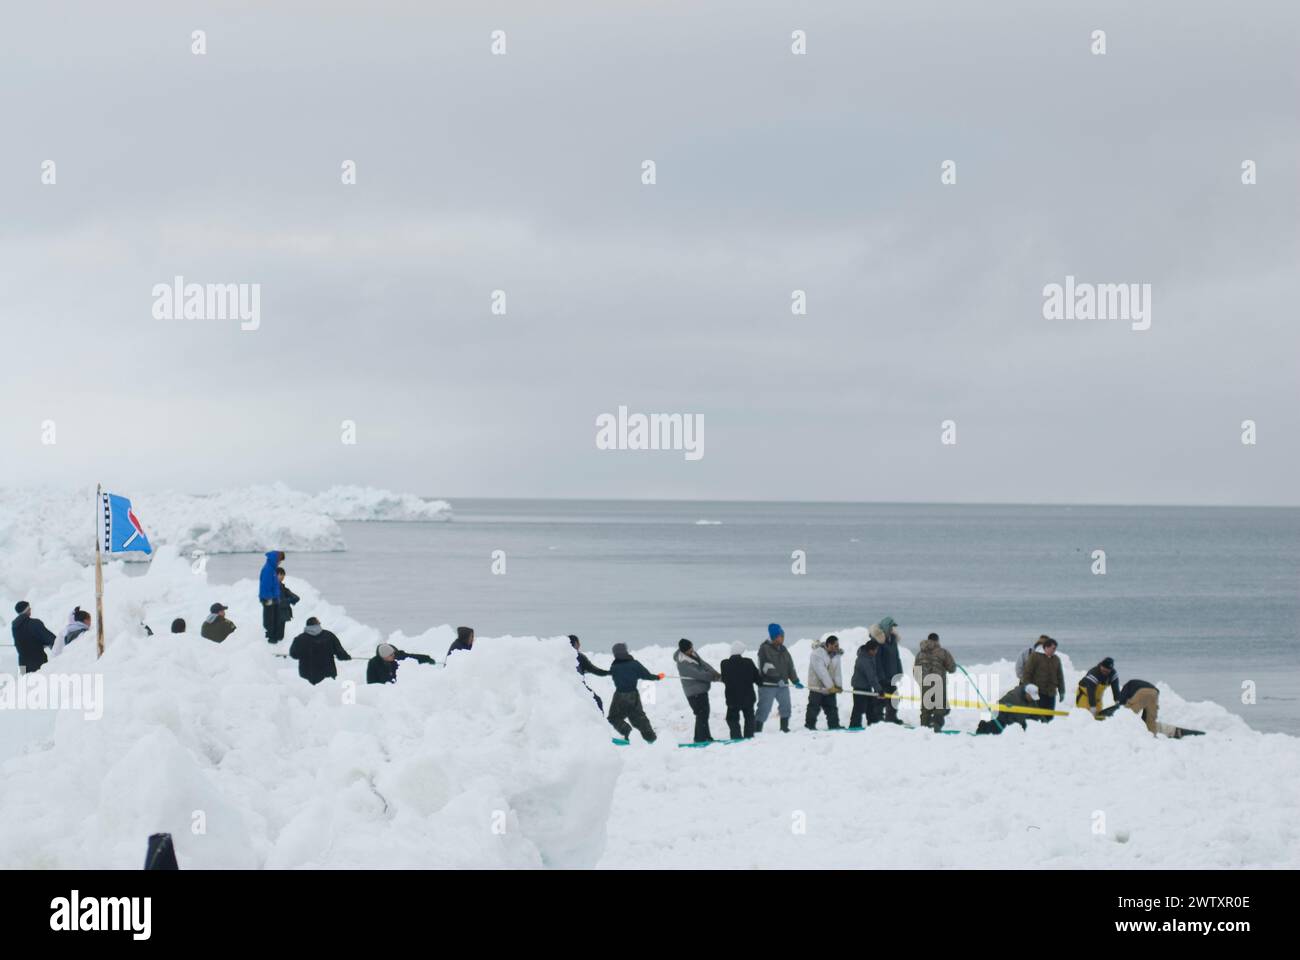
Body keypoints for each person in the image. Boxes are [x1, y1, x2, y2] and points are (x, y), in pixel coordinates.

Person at [1109, 678, 1204, 738]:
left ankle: (1126, 733)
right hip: (1154, 692)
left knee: (1126, 715)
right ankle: (1152, 738)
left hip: (1141, 692)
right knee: (1150, 721)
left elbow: (1121, 704)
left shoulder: (1127, 686)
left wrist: (1117, 710)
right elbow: (1146, 710)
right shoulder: (1135, 683)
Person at [607, 642, 663, 743]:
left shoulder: (614, 667)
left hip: (620, 695)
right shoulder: (634, 664)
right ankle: (650, 737)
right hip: (633, 695)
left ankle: (628, 732)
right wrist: (658, 677)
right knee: (639, 717)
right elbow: (647, 675)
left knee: (614, 717)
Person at [755, 623, 802, 733]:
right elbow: (766, 667)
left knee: (786, 707)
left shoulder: (784, 650)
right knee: (764, 709)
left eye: (783, 636)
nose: (782, 638)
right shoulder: (764, 649)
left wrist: (795, 680)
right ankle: (756, 729)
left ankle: (784, 728)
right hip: (768, 685)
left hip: (783, 685)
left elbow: (790, 665)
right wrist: (777, 679)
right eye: (780, 636)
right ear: (773, 636)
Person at [674, 638, 721, 743]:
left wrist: (716, 673)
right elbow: (700, 674)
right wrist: (714, 678)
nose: (692, 650)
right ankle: (700, 738)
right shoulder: (683, 663)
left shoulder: (692, 654)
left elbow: (704, 665)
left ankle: (705, 737)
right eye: (690, 649)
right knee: (701, 714)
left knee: (703, 714)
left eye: (692, 647)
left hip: (701, 690)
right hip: (693, 692)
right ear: (683, 650)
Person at [913, 632, 957, 731]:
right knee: (941, 707)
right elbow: (952, 668)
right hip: (938, 684)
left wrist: (922, 683)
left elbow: (916, 672)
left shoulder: (920, 654)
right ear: (937, 641)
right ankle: (935, 727)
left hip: (925, 684)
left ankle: (924, 730)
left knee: (926, 710)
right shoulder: (943, 652)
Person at [289, 617, 352, 684]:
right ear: (318, 624)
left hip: (307, 675)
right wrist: (347, 657)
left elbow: (293, 654)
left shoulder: (300, 639)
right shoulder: (329, 636)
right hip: (327, 674)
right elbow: (340, 652)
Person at [720, 641, 761, 739]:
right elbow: (758, 679)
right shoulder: (748, 662)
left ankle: (736, 736)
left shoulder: (724, 664)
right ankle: (749, 736)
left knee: (732, 719)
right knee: (749, 718)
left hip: (732, 698)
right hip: (748, 697)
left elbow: (724, 679)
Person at [1020, 636, 1067, 721]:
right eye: (1053, 648)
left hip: (1051, 693)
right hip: (1038, 693)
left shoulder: (1056, 659)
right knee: (1036, 716)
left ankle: (1048, 732)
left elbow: (1060, 676)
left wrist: (1062, 691)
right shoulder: (1035, 657)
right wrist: (1028, 687)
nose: (1054, 651)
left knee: (1049, 716)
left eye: (1055, 649)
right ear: (1046, 647)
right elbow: (1027, 673)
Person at [869, 617, 905, 723]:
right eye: (890, 627)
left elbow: (897, 657)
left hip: (892, 676)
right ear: (885, 627)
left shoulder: (892, 640)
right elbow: (877, 661)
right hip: (882, 677)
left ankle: (891, 717)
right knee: (880, 699)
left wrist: (899, 673)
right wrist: (881, 677)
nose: (892, 629)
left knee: (894, 698)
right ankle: (878, 719)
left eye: (892, 627)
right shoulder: (877, 642)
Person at [805, 635, 844, 730]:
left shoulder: (836, 656)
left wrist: (838, 686)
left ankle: (834, 725)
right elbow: (822, 672)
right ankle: (809, 726)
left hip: (829, 688)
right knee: (814, 707)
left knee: (832, 708)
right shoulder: (817, 654)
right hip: (817, 687)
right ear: (829, 645)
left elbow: (837, 673)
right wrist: (830, 686)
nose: (837, 648)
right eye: (835, 646)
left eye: (838, 645)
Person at [975, 683, 1039, 734]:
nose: (1033, 699)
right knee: (997, 731)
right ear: (1027, 693)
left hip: (1019, 720)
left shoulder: (1031, 700)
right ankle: (983, 727)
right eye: (1032, 697)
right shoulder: (1013, 697)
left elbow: (1036, 712)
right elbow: (999, 707)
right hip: (1005, 718)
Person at [11, 601, 55, 674]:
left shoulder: (14, 627)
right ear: (27, 610)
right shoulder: (34, 623)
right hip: (37, 664)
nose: (30, 609)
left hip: (22, 666)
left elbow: (27, 639)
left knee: (23, 684)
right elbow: (50, 639)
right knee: (41, 684)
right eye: (29, 608)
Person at [849, 638, 885, 728]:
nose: (876, 652)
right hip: (859, 687)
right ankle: (854, 725)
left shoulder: (870, 656)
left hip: (866, 687)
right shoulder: (864, 660)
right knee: (858, 708)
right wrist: (879, 690)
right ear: (870, 650)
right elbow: (871, 677)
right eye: (875, 650)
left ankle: (873, 724)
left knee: (870, 707)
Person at [571, 635, 610, 710]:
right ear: (576, 643)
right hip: (578, 687)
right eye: (578, 643)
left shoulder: (560, 657)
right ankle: (597, 721)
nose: (579, 645)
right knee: (597, 701)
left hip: (561, 688)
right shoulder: (579, 657)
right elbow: (593, 669)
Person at [366, 642, 435, 684]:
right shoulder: (373, 663)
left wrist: (427, 659)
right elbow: (371, 682)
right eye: (390, 655)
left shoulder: (398, 656)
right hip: (384, 691)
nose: (393, 656)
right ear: (384, 657)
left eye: (393, 653)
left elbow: (413, 657)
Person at [266, 567, 300, 644]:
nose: (282, 576)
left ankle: (276, 651)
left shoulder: (282, 587)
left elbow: (296, 598)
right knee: (274, 637)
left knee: (280, 636)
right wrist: (287, 601)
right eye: (280, 574)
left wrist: (288, 600)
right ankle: (270, 652)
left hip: (282, 615)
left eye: (283, 574)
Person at [258, 550, 285, 641]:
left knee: (275, 618)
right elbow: (265, 586)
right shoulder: (268, 570)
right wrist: (269, 598)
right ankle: (271, 638)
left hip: (274, 598)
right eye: (280, 560)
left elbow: (274, 585)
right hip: (269, 599)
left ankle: (274, 637)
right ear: (276, 559)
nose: (280, 562)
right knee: (270, 619)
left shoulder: (272, 569)